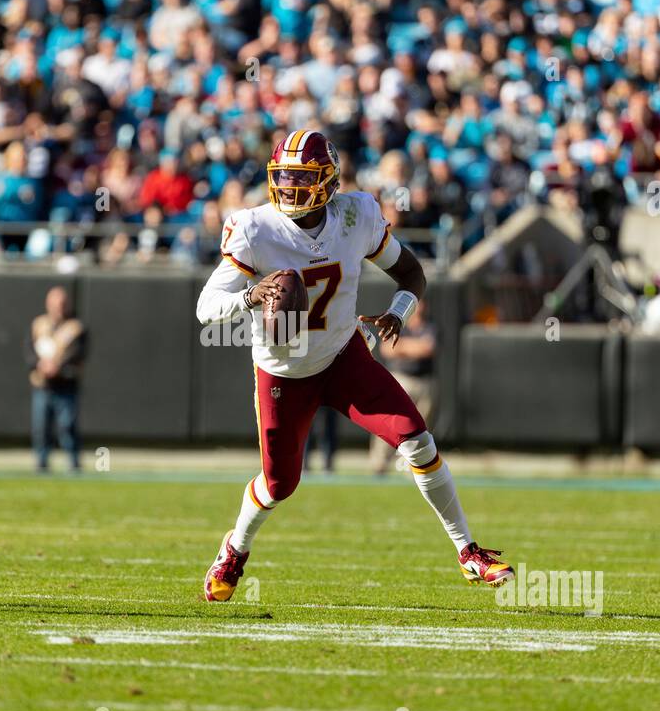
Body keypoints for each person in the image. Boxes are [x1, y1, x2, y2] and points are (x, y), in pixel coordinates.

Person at [195, 130, 514, 601]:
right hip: (283, 372)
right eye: (282, 177)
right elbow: (206, 307)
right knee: (280, 484)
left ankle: (468, 551)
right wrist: (250, 294)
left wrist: (396, 314)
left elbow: (411, 273)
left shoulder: (356, 214)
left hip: (344, 356)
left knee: (417, 439)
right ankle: (235, 549)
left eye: (300, 178)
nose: (287, 188)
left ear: (327, 181)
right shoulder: (255, 228)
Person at [369, 299, 436, 473]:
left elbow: (428, 348)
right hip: (401, 379)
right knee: (389, 422)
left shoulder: (430, 325)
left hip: (423, 381)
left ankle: (411, 465)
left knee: (420, 428)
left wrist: (403, 347)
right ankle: (379, 464)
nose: (420, 307)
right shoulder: (400, 324)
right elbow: (387, 349)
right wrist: (415, 347)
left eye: (423, 303)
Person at [27, 286, 86, 472]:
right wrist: (40, 364)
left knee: (67, 425)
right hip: (43, 384)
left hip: (65, 384)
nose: (58, 308)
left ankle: (73, 461)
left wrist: (57, 367)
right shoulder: (39, 324)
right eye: (55, 304)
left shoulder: (75, 327)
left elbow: (78, 352)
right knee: (41, 426)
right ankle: (41, 461)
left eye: (62, 304)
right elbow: (28, 350)